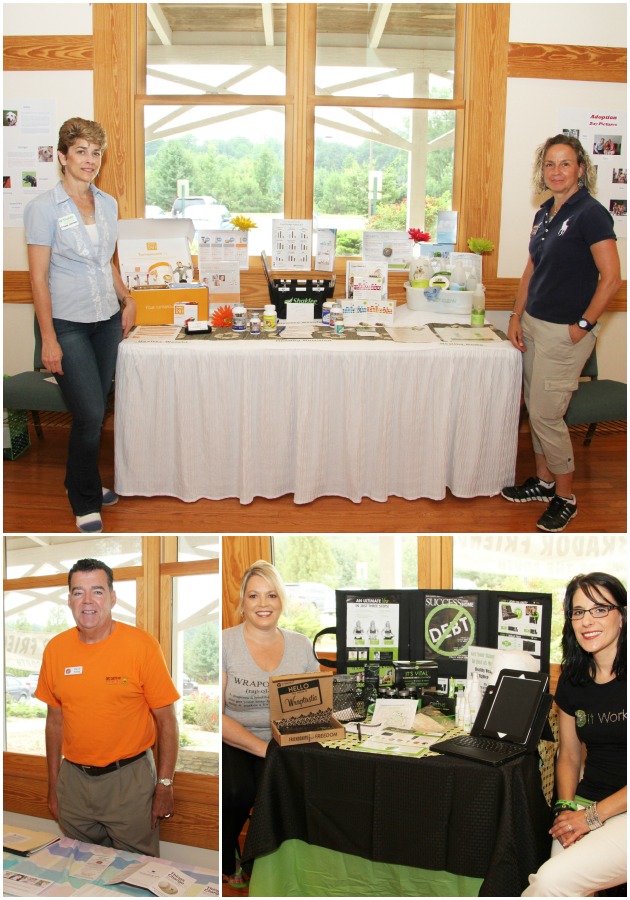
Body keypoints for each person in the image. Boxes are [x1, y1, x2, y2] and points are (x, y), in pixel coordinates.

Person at [501, 134, 622, 532]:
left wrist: (582, 326)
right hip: (534, 324)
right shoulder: (545, 213)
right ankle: (543, 481)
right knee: (536, 412)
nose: (556, 171)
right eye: (550, 164)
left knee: (548, 416)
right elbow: (531, 269)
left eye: (565, 163)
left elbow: (612, 278)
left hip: (564, 334)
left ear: (581, 169)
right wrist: (517, 315)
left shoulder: (590, 214)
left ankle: (565, 497)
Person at [23, 117, 136, 534]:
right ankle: (84, 499)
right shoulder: (43, 209)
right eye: (82, 151)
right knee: (89, 413)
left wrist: (127, 298)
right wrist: (49, 339)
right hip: (67, 324)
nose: (90, 160)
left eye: (96, 153)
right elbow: (37, 278)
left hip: (106, 319)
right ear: (62, 157)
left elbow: (107, 260)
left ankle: (81, 477)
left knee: (98, 404)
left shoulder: (107, 204)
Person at [35, 558, 180, 856]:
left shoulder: (142, 646)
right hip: (73, 782)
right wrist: (53, 785)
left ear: (112, 598)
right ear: (69, 600)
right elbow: (54, 722)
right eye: (78, 592)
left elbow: (167, 721)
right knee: (80, 868)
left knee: (137, 872)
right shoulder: (55, 649)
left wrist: (165, 784)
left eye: (97, 591)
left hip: (129, 780)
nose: (87, 601)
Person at [522, 572, 626, 896]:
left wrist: (590, 818)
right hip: (585, 802)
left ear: (622, 615)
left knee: (550, 883)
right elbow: (568, 753)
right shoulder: (573, 679)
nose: (586, 621)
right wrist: (566, 808)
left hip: (617, 808)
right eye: (578, 612)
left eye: (599, 609)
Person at [222, 560, 319, 887]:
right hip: (234, 738)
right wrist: (265, 749)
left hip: (284, 740)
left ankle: (263, 858)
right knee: (237, 792)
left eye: (272, 595)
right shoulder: (226, 643)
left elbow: (317, 703)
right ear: (242, 603)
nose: (263, 604)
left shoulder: (301, 645)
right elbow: (215, 715)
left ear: (282, 602)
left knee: (284, 792)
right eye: (254, 596)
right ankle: (227, 853)